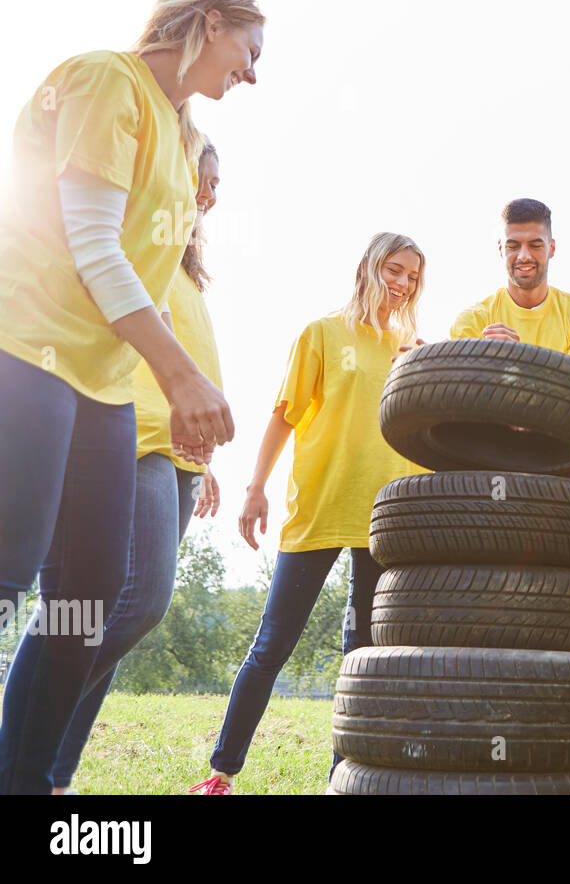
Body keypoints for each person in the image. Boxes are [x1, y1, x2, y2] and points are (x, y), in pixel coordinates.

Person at [0, 0, 263, 795]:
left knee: (85, 600)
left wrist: (169, 388)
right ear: (210, 22)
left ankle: (27, 779)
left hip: (104, 390)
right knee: (9, 576)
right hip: (28, 350)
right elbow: (92, 243)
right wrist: (179, 375)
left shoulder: (184, 141)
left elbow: (155, 280)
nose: (252, 73)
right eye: (249, 51)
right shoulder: (106, 79)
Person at [189, 232, 426, 795]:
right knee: (272, 644)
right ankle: (222, 771)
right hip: (319, 507)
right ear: (369, 268)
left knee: (362, 654)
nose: (402, 284)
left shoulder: (411, 344)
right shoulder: (321, 333)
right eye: (394, 270)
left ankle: (344, 775)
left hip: (384, 517)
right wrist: (255, 487)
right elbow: (284, 415)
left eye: (413, 277)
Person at [50, 139, 226, 794]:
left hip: (181, 449)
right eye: (202, 177)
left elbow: (194, 363)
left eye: (216, 183)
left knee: (121, 619)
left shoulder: (188, 271)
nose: (209, 192)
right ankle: (28, 733)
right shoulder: (132, 244)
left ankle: (50, 773)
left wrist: (205, 460)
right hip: (134, 434)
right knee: (138, 601)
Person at [450, 198, 570, 361]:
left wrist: (517, 358)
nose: (524, 256)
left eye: (535, 245)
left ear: (551, 249)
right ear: (501, 250)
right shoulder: (473, 321)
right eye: (513, 246)